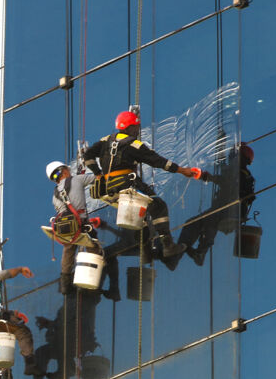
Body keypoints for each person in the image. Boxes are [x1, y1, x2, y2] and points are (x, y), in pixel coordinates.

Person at [80, 109, 194, 265]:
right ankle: (168, 246)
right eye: (136, 127)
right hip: (127, 183)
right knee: (158, 206)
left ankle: (146, 253)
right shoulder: (134, 145)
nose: (138, 130)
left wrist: (98, 173)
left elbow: (87, 156)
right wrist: (183, 170)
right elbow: (159, 161)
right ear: (129, 128)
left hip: (108, 189)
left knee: (141, 220)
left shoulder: (106, 140)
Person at [46, 160, 101, 294]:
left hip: (65, 229)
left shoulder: (54, 194)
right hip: (81, 224)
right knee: (93, 245)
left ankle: (65, 284)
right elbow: (98, 178)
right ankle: (94, 274)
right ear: (64, 171)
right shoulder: (78, 179)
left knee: (68, 250)